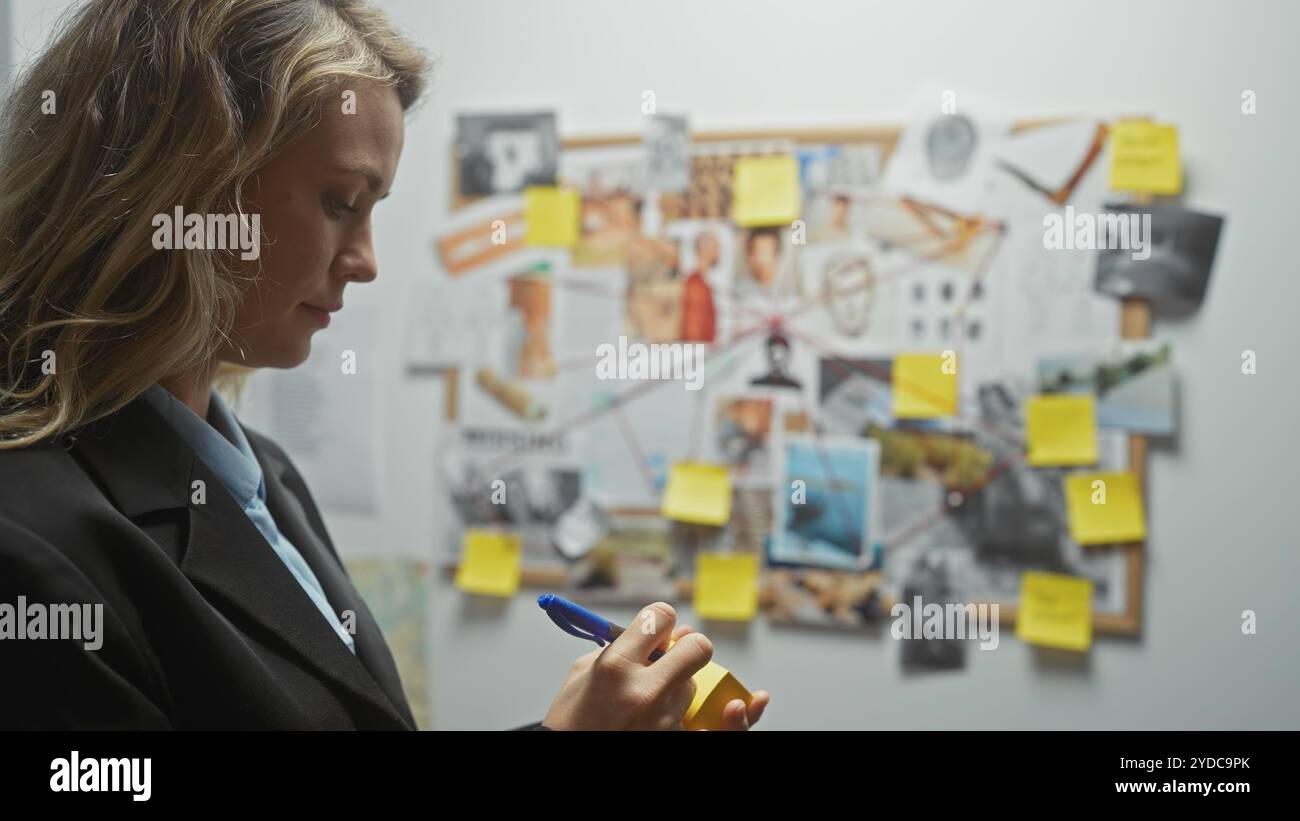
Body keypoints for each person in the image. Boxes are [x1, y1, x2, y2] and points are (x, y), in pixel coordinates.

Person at [0, 0, 768, 731]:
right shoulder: (27, 548)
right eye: (341, 201)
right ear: (186, 189)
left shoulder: (264, 473)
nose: (366, 262)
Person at [679, 230, 719, 343]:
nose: (719, 251)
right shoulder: (696, 285)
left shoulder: (704, 283)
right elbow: (693, 330)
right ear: (704, 250)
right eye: (715, 246)